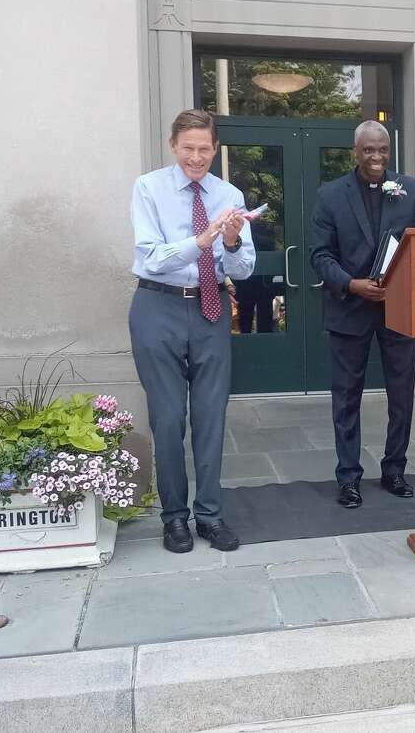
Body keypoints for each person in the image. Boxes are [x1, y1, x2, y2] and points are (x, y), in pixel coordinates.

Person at [129, 109, 255, 553]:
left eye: (204, 149)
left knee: (211, 417)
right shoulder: (148, 188)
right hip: (157, 305)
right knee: (167, 418)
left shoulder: (229, 194)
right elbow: (152, 257)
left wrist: (234, 240)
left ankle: (210, 515)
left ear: (215, 148)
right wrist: (204, 240)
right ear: (173, 146)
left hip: (210, 306)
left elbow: (242, 268)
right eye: (188, 149)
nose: (196, 157)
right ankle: (174, 517)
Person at [311, 120, 415, 508]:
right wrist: (350, 284)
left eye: (382, 150)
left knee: (401, 394)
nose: (376, 157)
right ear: (355, 152)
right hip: (350, 307)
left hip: (399, 309)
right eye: (368, 150)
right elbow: (320, 255)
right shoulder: (330, 195)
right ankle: (348, 477)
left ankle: (395, 469)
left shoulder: (410, 190)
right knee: (346, 397)